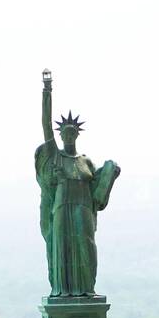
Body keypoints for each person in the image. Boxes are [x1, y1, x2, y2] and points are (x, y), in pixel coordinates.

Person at [35, 69, 120, 297]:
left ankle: (87, 288)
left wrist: (109, 174)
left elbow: (97, 193)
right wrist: (47, 90)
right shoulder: (55, 156)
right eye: (66, 133)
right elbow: (45, 125)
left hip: (82, 207)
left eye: (73, 132)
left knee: (86, 246)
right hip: (62, 207)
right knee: (62, 247)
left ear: (77, 135)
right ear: (61, 135)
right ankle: (63, 290)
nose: (69, 135)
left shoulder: (86, 162)